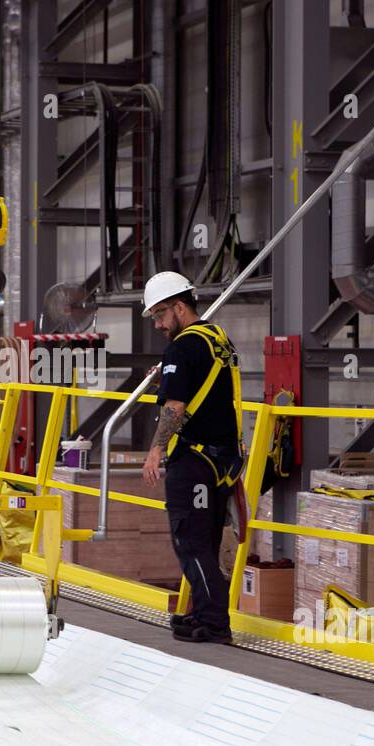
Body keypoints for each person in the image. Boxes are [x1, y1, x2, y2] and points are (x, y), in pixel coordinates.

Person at [141, 271, 245, 644]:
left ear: (179, 307)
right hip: (222, 461)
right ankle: (203, 612)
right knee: (207, 540)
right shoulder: (219, 341)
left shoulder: (182, 348)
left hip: (194, 460)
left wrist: (155, 448)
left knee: (190, 540)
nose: (157, 324)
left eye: (160, 315)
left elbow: (175, 406)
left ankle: (215, 623)